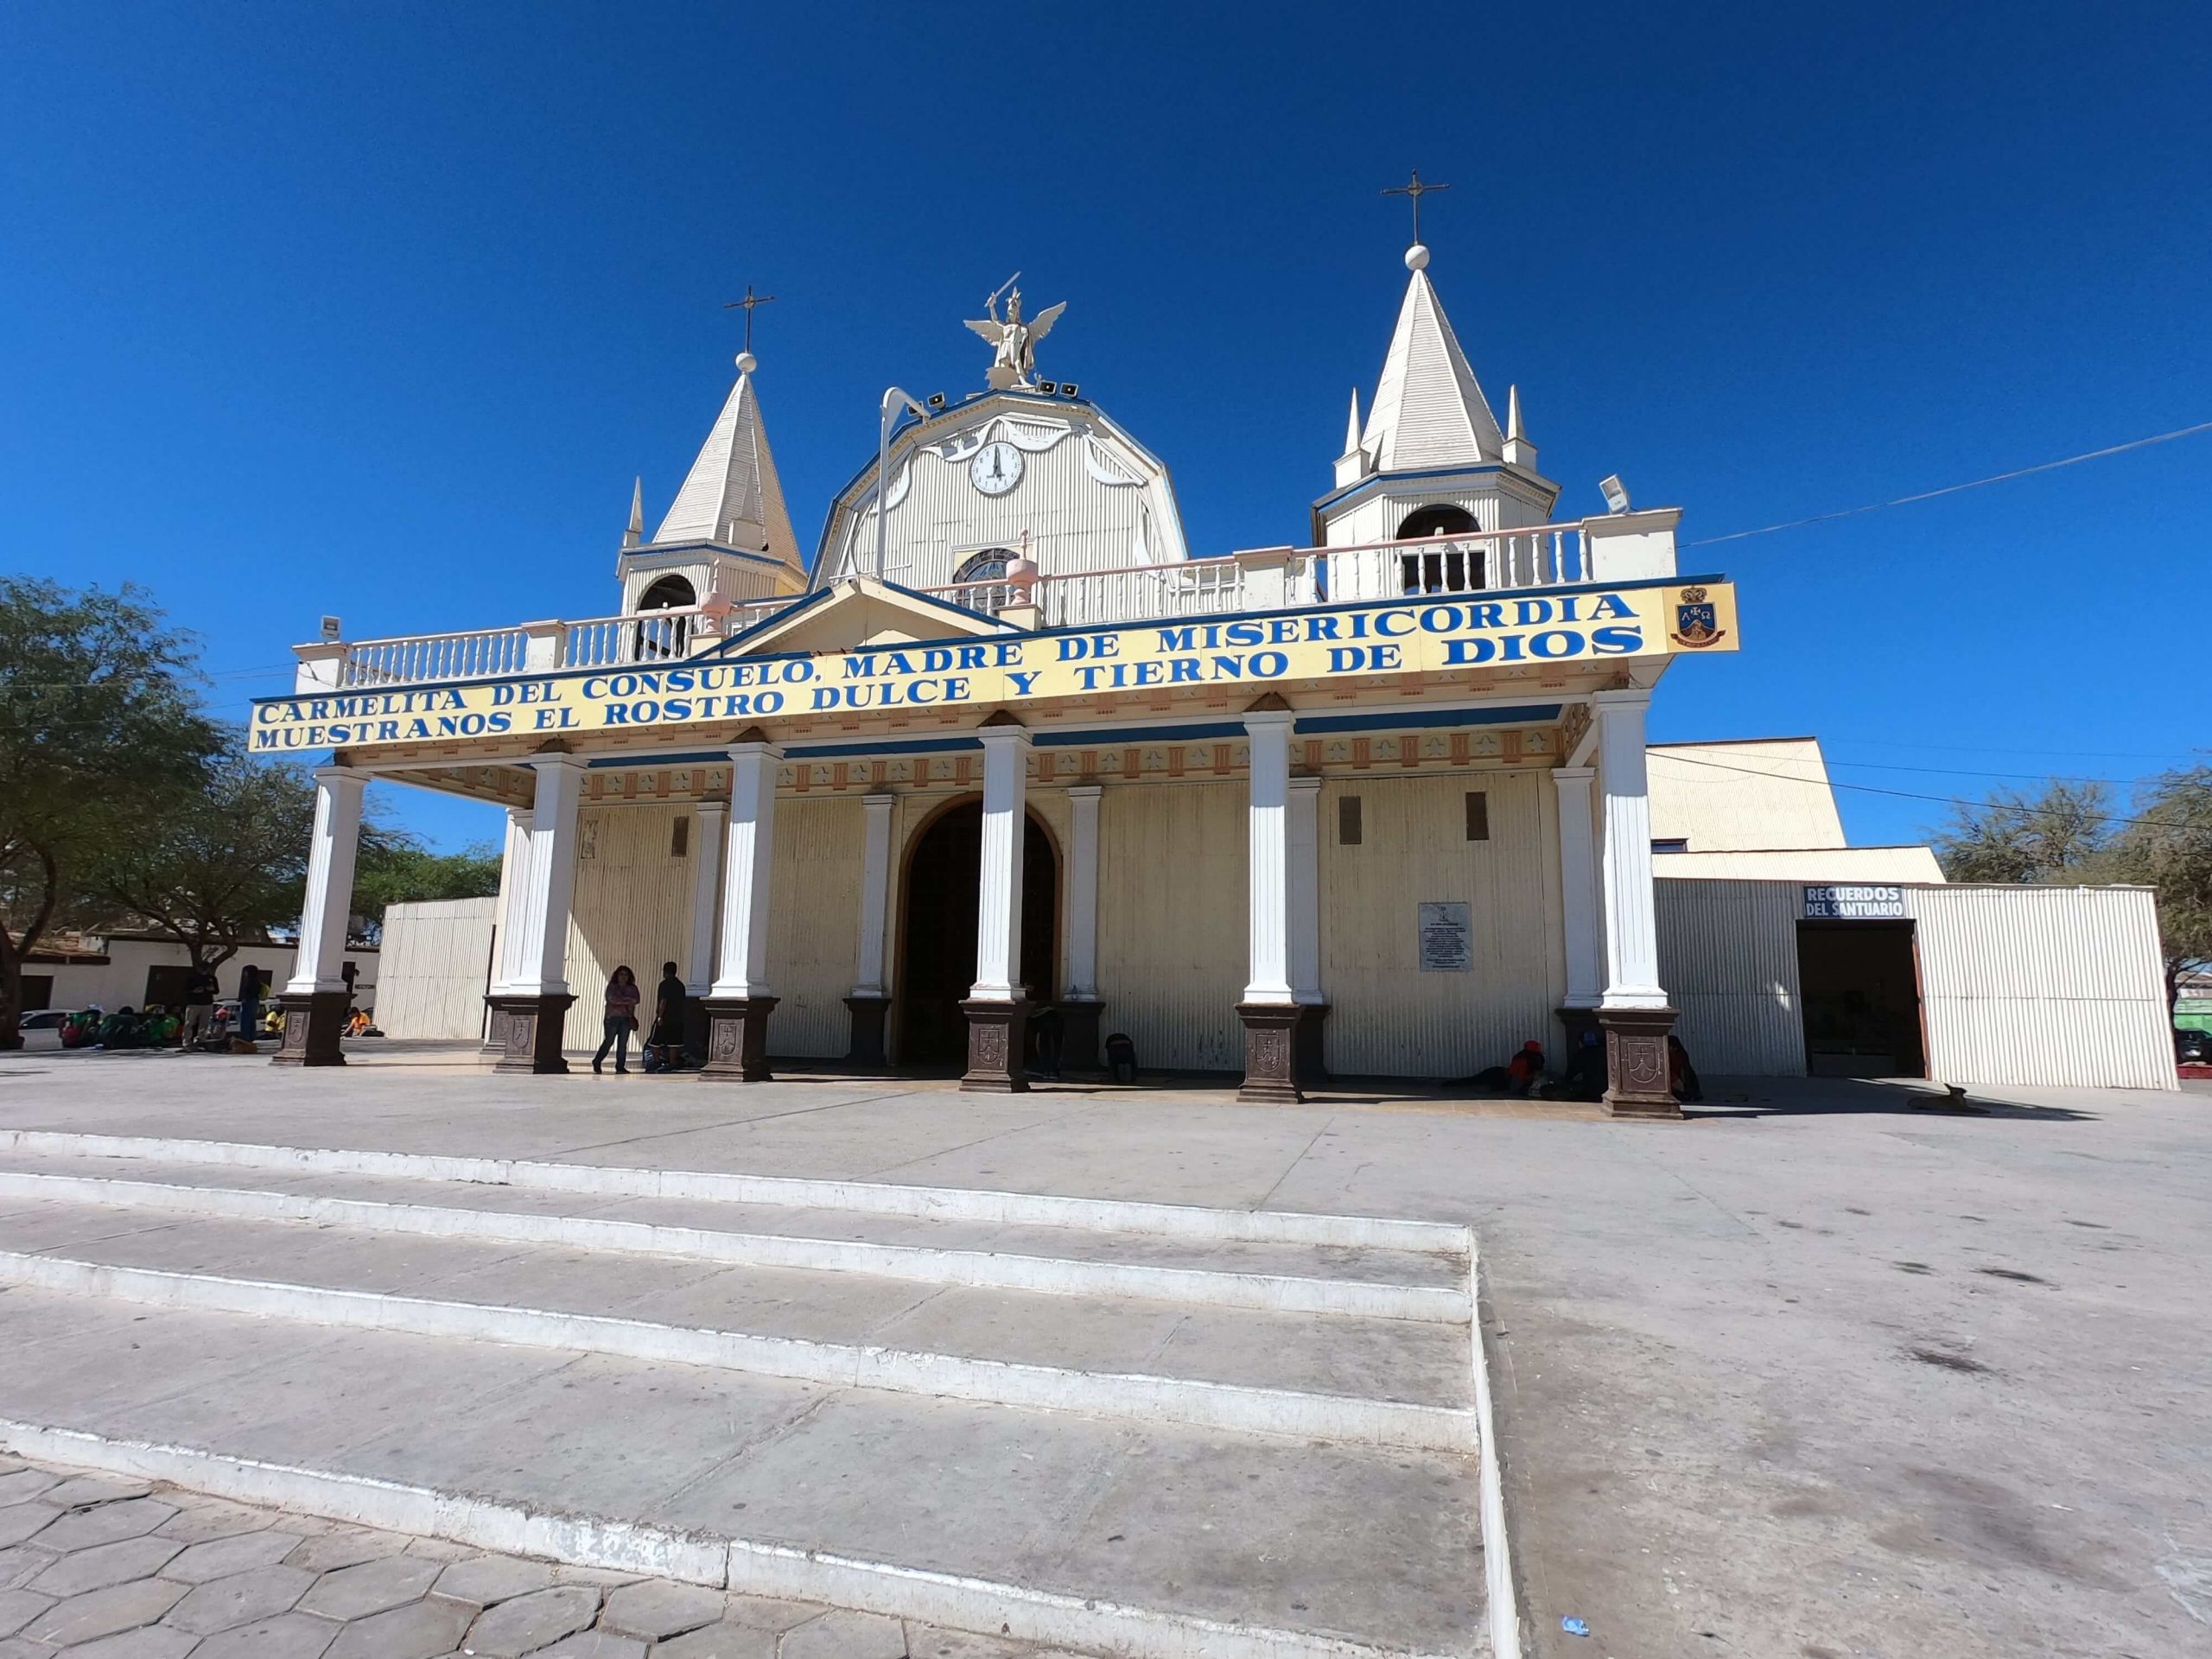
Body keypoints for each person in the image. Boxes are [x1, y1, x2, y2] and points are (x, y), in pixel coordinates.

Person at [593, 965, 642, 1074]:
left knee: (623, 1043)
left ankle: (620, 1066)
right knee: (609, 1041)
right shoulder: (612, 987)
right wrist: (627, 1000)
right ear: (617, 975)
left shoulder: (632, 988)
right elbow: (612, 999)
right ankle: (597, 1061)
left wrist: (622, 1000)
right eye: (621, 974)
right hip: (612, 1018)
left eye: (626, 974)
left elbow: (636, 999)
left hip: (626, 1018)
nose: (623, 977)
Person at [648, 962, 687, 1071]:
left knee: (654, 1041)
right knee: (673, 1043)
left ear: (665, 972)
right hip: (678, 1018)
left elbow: (663, 1001)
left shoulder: (664, 984)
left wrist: (660, 1016)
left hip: (666, 1018)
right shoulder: (680, 985)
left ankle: (656, 1061)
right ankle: (672, 1062)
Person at [179, 965, 219, 1049]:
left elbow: (216, 991)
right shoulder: (192, 978)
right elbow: (185, 990)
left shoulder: (212, 978)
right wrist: (194, 991)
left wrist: (211, 989)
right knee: (189, 1023)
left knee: (204, 1023)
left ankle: (201, 1040)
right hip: (194, 1004)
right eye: (203, 968)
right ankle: (187, 1041)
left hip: (207, 1003)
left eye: (206, 968)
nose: (205, 970)